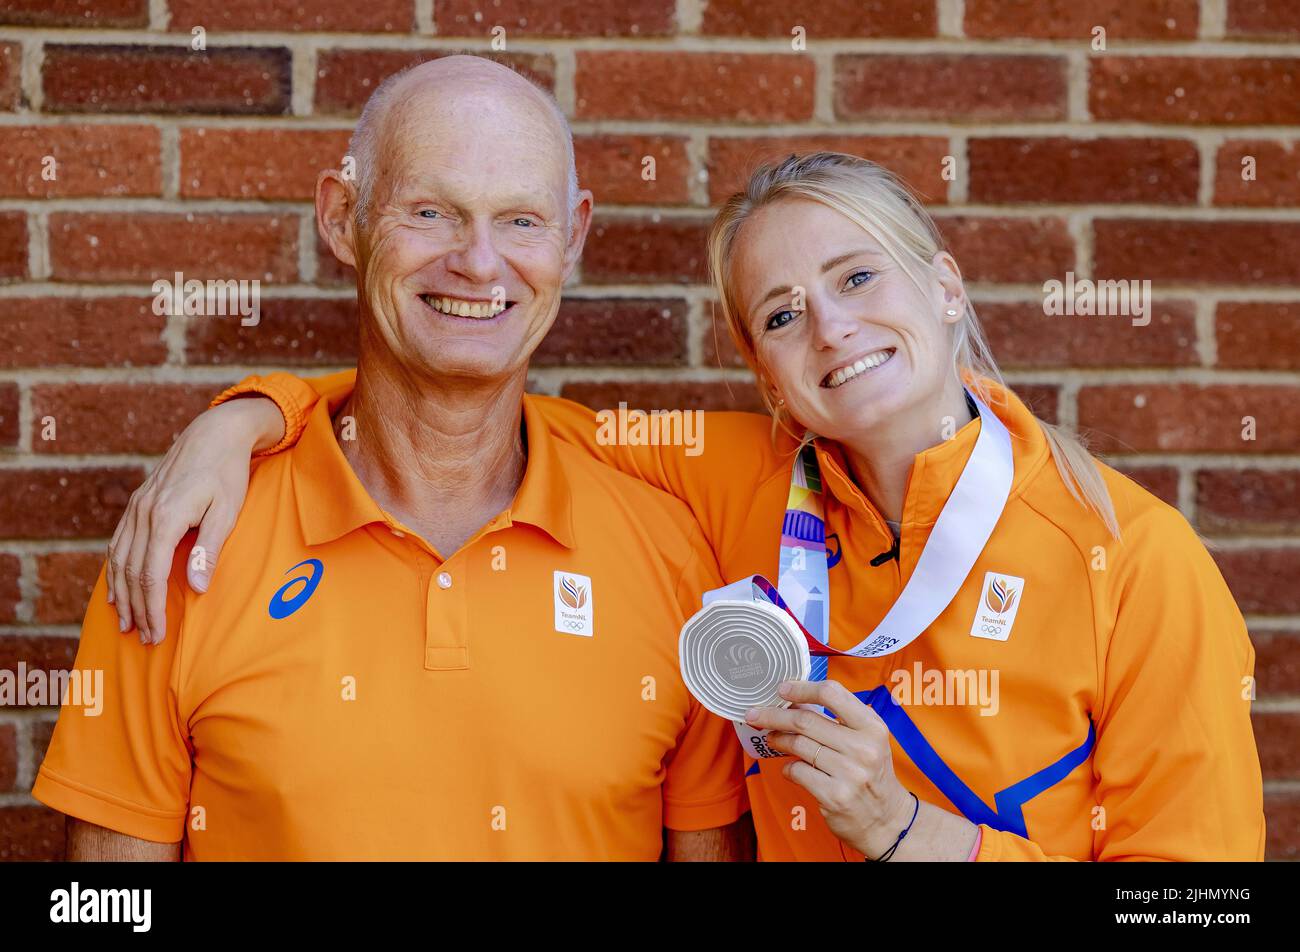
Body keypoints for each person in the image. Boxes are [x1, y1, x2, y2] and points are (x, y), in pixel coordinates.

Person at [106, 151, 1265, 862]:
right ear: (762, 374)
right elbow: (458, 394)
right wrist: (247, 417)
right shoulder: (733, 475)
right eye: (780, 313)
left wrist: (917, 838)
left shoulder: (1135, 557)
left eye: (858, 278)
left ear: (945, 287)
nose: (832, 330)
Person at [32, 56, 754, 861]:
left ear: (574, 234)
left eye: (521, 220)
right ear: (343, 218)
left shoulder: (670, 548)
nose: (480, 262)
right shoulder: (184, 542)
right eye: (431, 212)